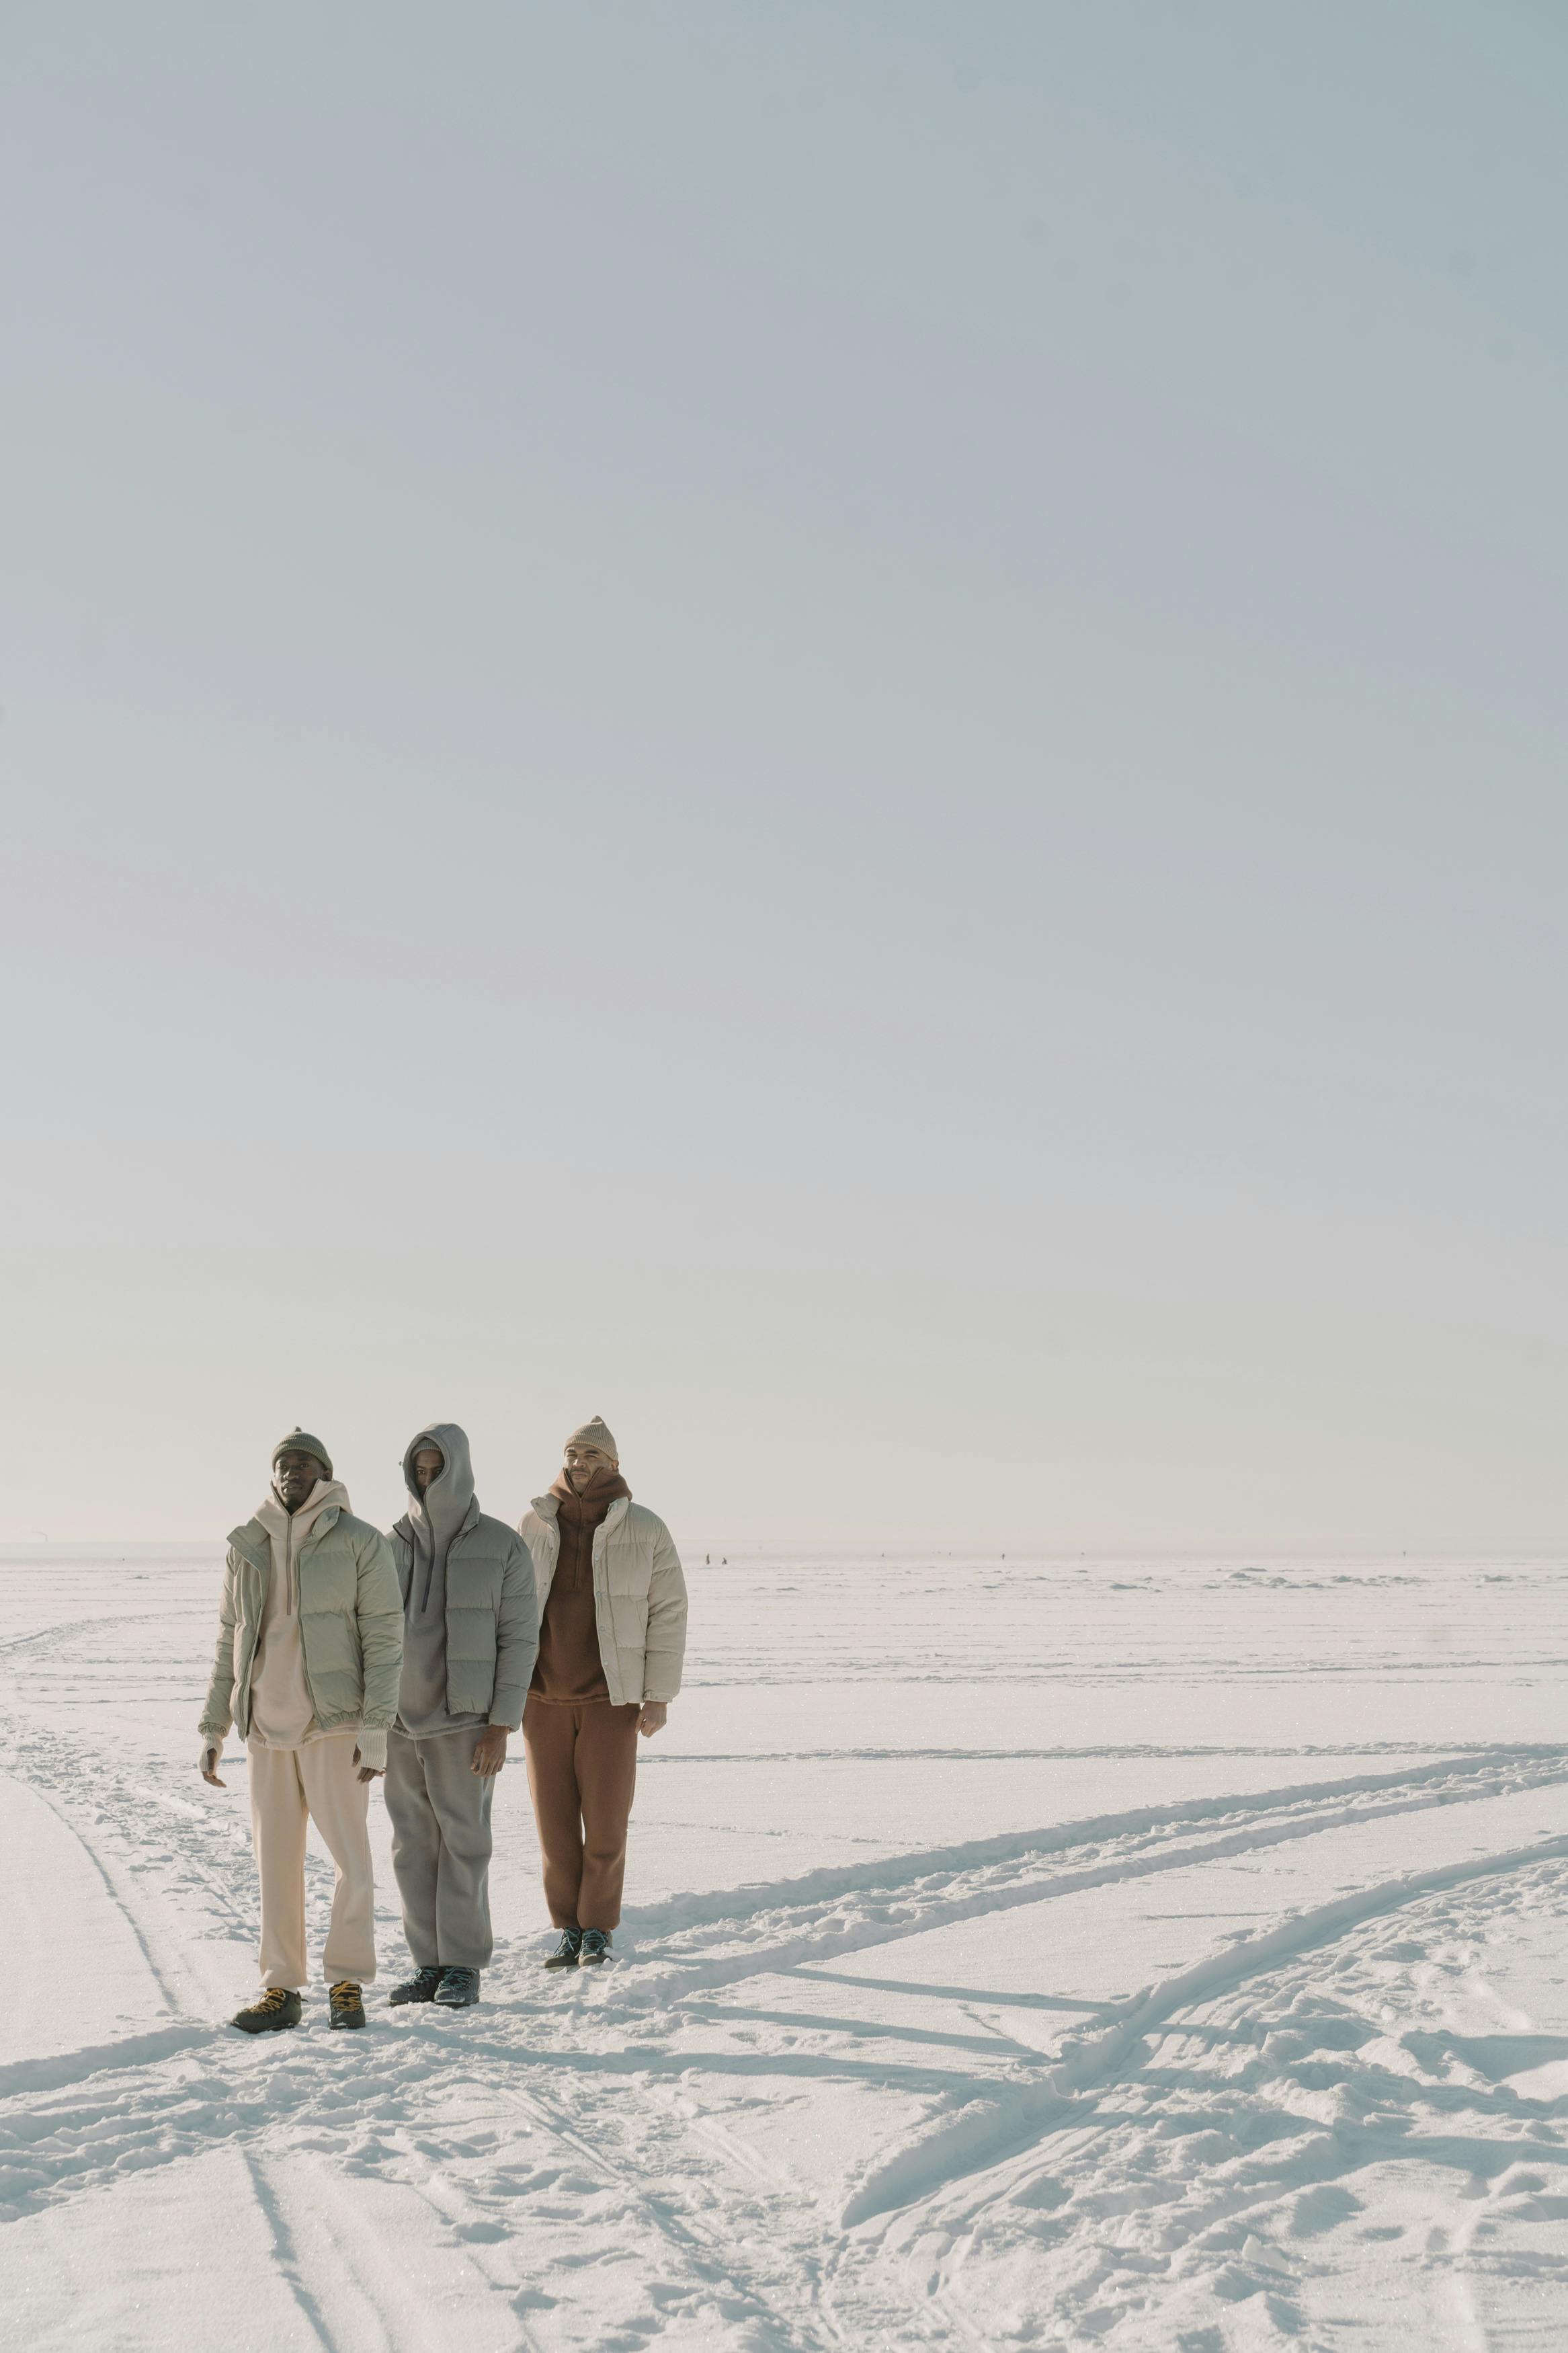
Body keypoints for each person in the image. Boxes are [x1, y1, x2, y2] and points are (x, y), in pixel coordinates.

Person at [198, 1430, 403, 2032]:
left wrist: (376, 1727)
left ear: (325, 1473)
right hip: (264, 1729)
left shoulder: (362, 1541)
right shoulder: (246, 1544)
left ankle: (346, 1982)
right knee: (275, 1864)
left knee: (351, 1862)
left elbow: (386, 1639)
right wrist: (214, 1726)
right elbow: (226, 1641)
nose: (292, 1469)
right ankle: (281, 1988)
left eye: (304, 1462)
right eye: (283, 1462)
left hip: (335, 1726)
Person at [519, 1417, 688, 1968]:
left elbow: (667, 1612)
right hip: (540, 1701)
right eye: (571, 1452)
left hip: (611, 1702)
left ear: (613, 1465)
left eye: (591, 1455)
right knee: (554, 1826)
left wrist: (657, 1695)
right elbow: (507, 1612)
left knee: (607, 1822)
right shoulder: (533, 1524)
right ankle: (567, 1928)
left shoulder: (645, 1528)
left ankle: (597, 1928)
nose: (579, 1462)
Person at [384, 1423, 538, 2009]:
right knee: (411, 1848)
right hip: (398, 1725)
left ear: (461, 1470)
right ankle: (428, 1965)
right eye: (419, 1472)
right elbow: (363, 1637)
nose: (428, 1482)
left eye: (437, 1470)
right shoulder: (388, 1543)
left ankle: (463, 1967)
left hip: (466, 1723)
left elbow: (520, 1641)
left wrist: (501, 1724)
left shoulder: (502, 1545)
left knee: (464, 1845)